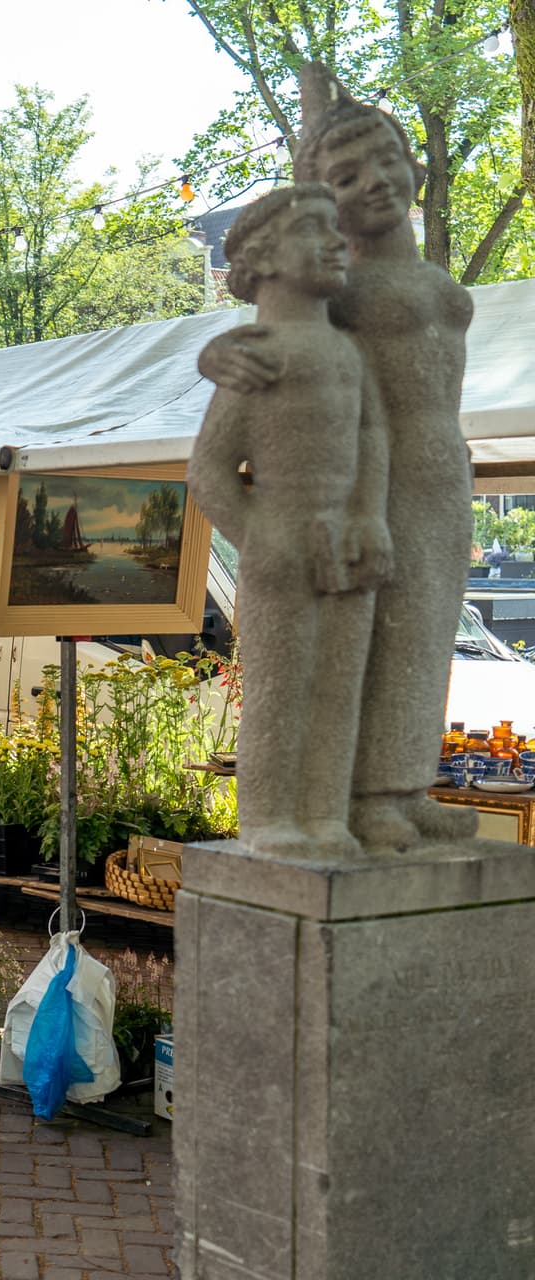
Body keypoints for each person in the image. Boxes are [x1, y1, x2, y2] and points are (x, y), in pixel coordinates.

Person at [200, 86, 476, 850]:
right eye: (347, 178)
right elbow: (272, 312)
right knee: (375, 640)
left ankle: (404, 784)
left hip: (440, 472)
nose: (376, 181)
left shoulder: (425, 278)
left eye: (387, 160)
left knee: (422, 633)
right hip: (366, 484)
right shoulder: (337, 290)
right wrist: (213, 352)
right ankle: (361, 800)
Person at [187, 184, 387, 859]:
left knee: (338, 685)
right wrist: (254, 535)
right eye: (316, 230)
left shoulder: (347, 353)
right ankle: (271, 815)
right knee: (280, 687)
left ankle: (325, 814)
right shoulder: (255, 355)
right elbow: (209, 468)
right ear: (266, 254)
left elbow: (373, 439)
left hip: (345, 544)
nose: (338, 242)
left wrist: (368, 517)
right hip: (279, 538)